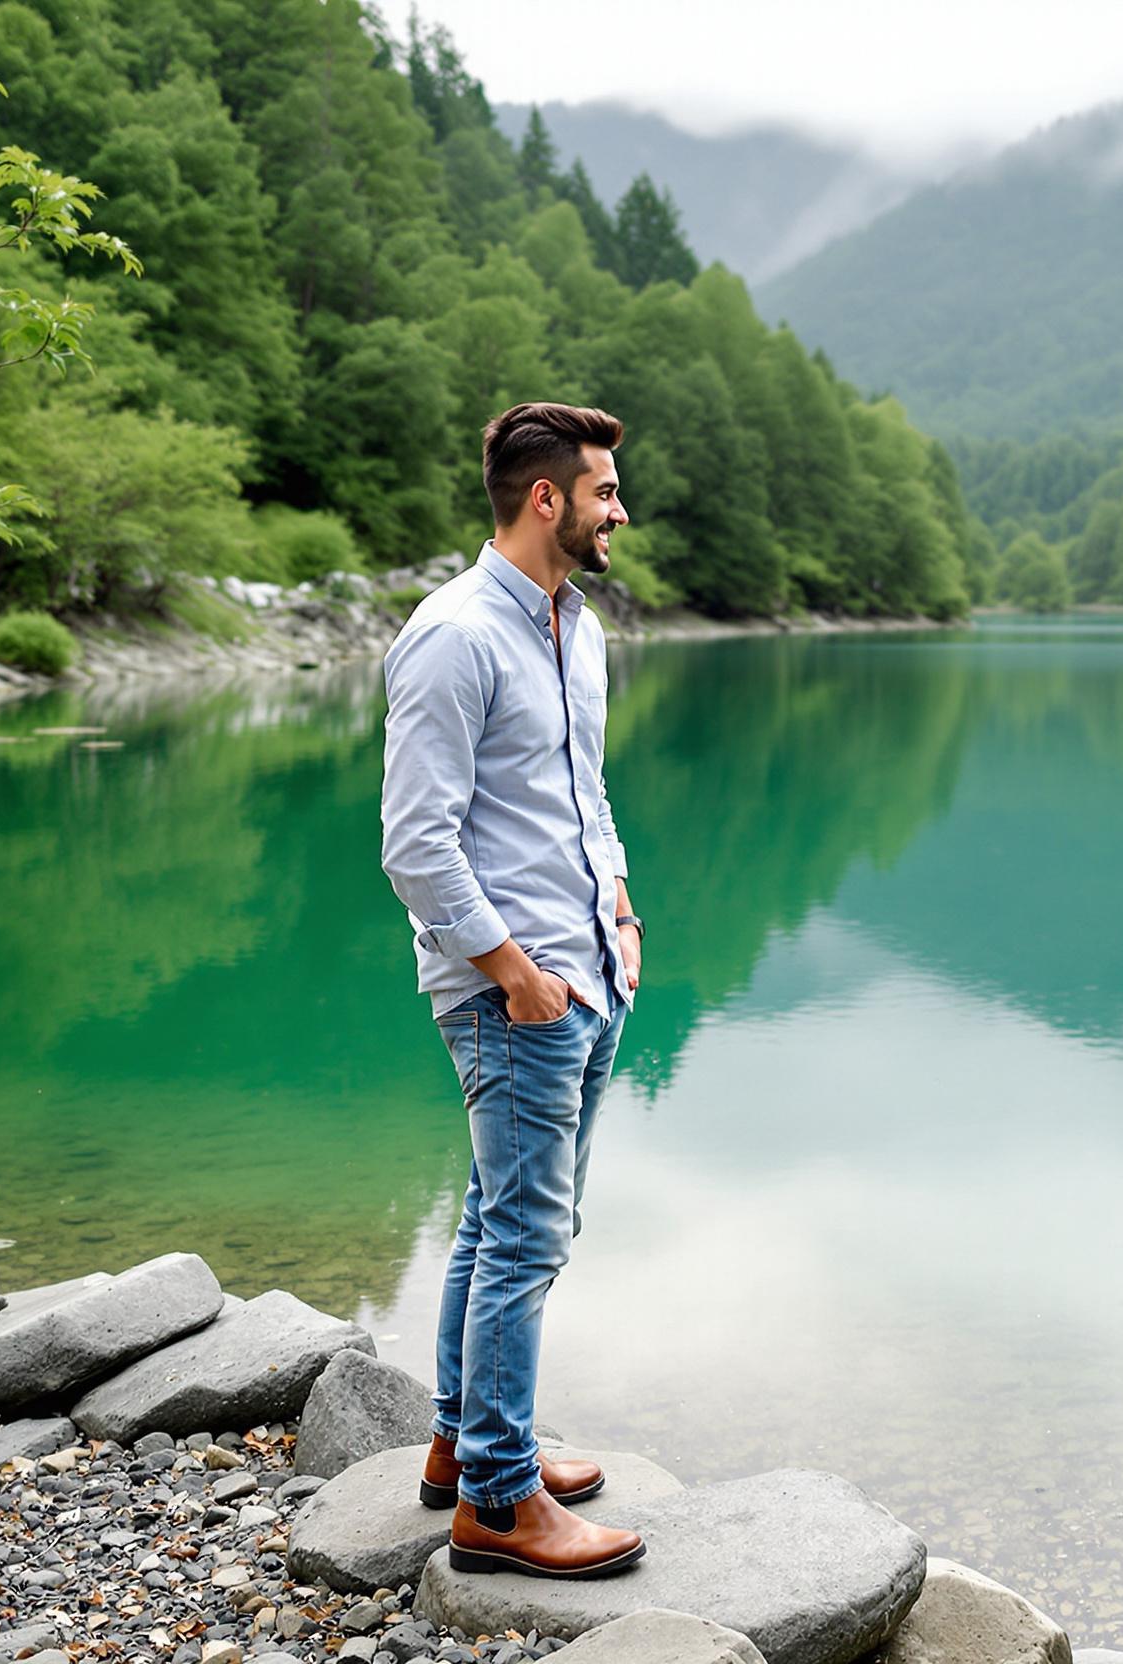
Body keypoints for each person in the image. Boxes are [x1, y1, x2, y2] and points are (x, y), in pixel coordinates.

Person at [379, 401, 647, 1578]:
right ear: (546, 499)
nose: (618, 511)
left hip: (585, 966)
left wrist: (623, 911)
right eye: (602, 492)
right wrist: (517, 976)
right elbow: (415, 845)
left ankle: (460, 1442)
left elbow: (579, 792)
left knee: (495, 1216)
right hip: (516, 990)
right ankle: (497, 1496)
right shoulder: (454, 636)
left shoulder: (571, 626)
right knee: (531, 1235)